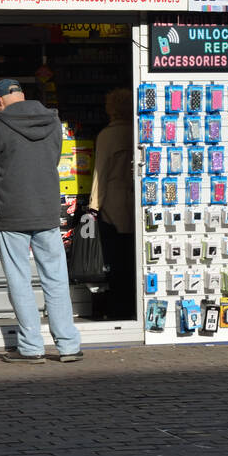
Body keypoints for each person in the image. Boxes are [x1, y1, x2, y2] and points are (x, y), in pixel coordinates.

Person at [0, 77, 83, 363]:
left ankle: (31, 347)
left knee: (20, 280)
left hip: (11, 212)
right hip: (46, 209)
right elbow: (53, 157)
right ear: (22, 96)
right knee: (56, 279)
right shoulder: (52, 122)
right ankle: (69, 345)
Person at [89, 87, 136, 320]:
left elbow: (101, 172)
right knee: (133, 256)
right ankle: (133, 305)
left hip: (114, 203)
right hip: (134, 201)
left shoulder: (107, 135)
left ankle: (118, 308)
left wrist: (93, 207)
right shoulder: (136, 131)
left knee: (115, 260)